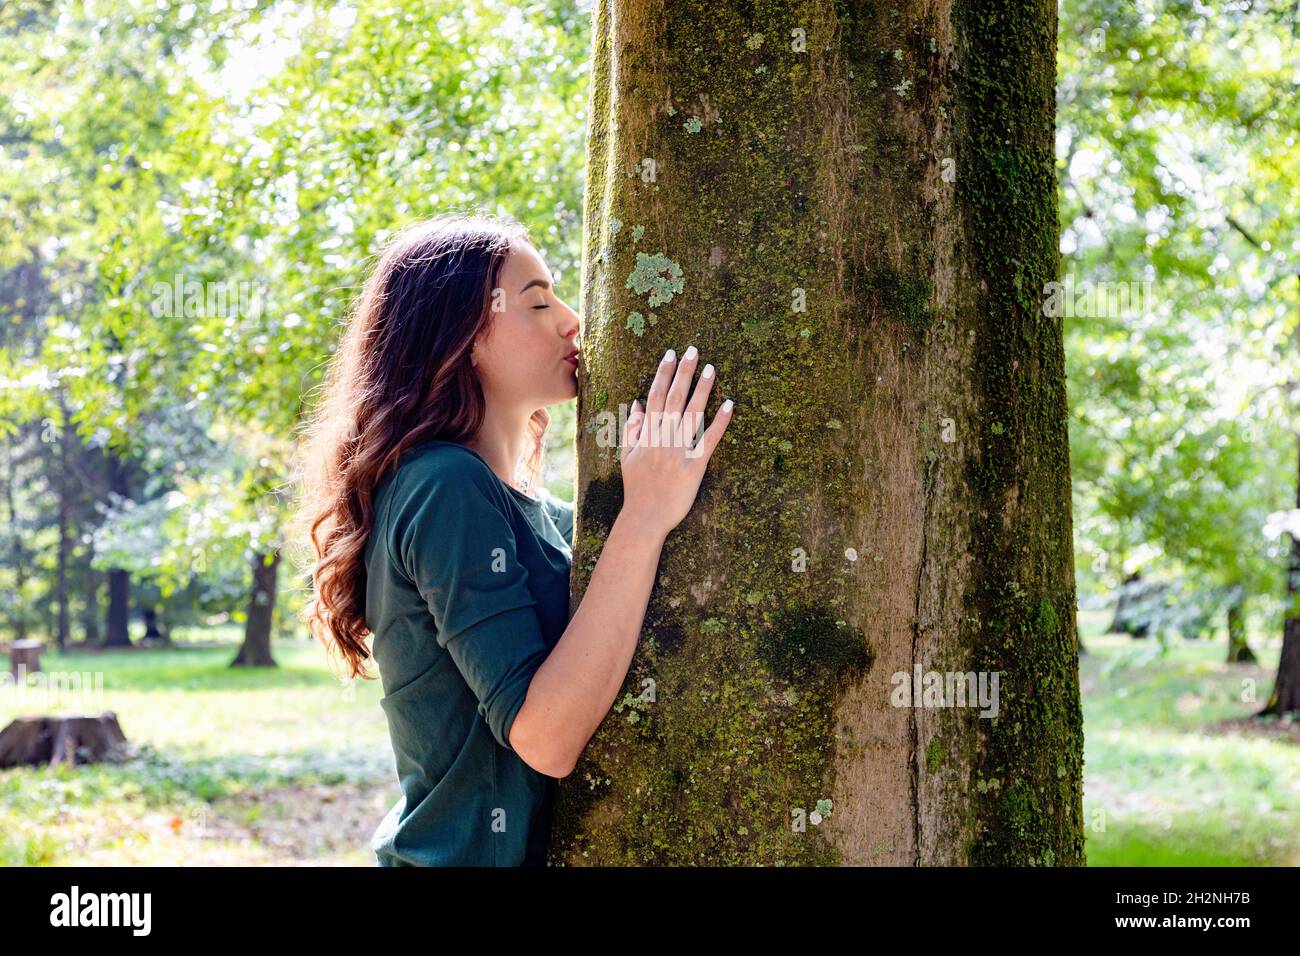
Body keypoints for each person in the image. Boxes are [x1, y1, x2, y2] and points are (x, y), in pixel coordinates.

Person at [294, 211, 734, 865]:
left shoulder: (537, 514)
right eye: (537, 302)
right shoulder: (441, 485)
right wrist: (643, 520)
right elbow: (544, 738)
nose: (570, 319)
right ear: (463, 335)